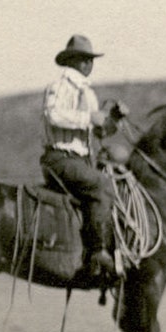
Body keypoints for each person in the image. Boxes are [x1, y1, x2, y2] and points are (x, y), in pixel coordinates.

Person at [40, 34, 129, 276]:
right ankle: (97, 252)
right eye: (86, 59)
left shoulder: (88, 94)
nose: (90, 64)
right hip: (59, 159)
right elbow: (53, 115)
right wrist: (89, 117)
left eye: (91, 59)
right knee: (101, 184)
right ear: (74, 60)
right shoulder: (58, 87)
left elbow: (100, 132)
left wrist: (114, 120)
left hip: (78, 161)